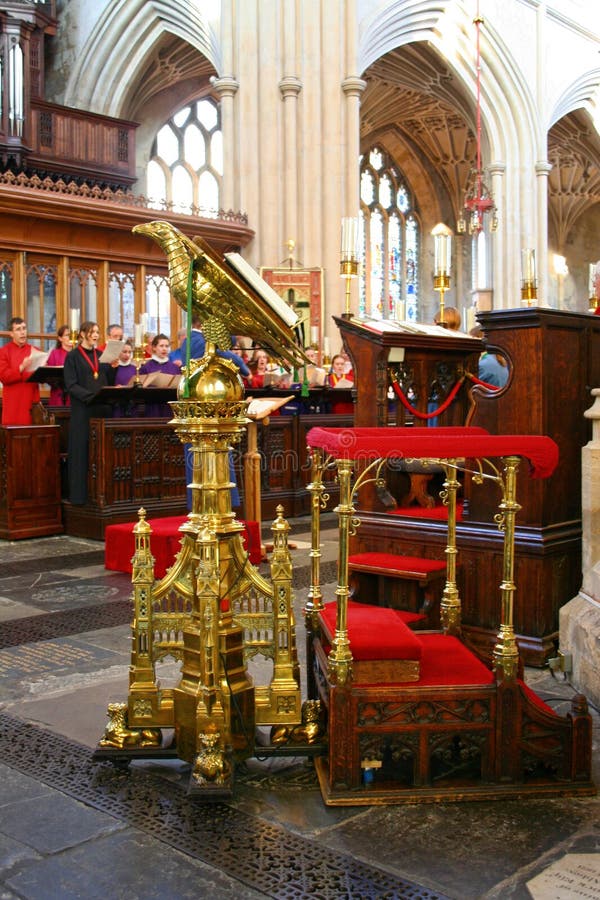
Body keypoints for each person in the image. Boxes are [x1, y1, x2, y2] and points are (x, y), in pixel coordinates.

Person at [63, 320, 115, 505]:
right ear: (83, 334)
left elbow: (108, 380)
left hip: (101, 409)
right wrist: (90, 396)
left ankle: (101, 494)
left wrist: (114, 368)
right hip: (82, 410)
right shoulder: (73, 357)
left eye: (97, 332)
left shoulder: (101, 355)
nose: (95, 335)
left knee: (101, 454)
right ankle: (79, 497)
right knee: (81, 453)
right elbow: (71, 385)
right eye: (92, 332)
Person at [0, 317, 42, 425]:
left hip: (32, 406)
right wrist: (21, 367)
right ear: (11, 333)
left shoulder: (35, 351)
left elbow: (42, 378)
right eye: (18, 329)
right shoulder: (3, 351)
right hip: (13, 407)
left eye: (24, 328)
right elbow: (4, 377)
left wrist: (44, 370)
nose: (23, 332)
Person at [139, 333, 181, 416]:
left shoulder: (175, 368)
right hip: (152, 406)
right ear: (154, 348)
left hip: (170, 407)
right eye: (161, 346)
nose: (164, 349)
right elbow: (141, 389)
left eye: (167, 346)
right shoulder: (146, 367)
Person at [46, 325, 72, 405]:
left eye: (72, 335)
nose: (70, 337)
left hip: (74, 397)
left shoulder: (78, 354)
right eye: (67, 335)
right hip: (58, 396)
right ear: (60, 338)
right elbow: (49, 377)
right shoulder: (54, 353)